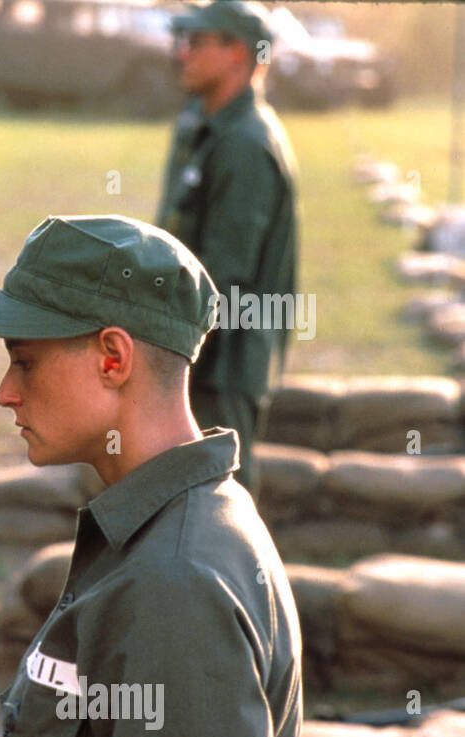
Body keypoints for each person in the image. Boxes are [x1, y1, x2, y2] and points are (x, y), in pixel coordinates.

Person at [0, 214, 321, 737]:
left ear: (113, 357)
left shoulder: (173, 581)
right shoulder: (170, 527)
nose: (6, 391)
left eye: (25, 360)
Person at [156, 0, 298, 495]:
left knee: (222, 500)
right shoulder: (210, 126)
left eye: (195, 42)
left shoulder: (245, 144)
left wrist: (165, 362)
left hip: (223, 361)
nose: (182, 53)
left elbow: (220, 283)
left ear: (237, 52)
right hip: (201, 352)